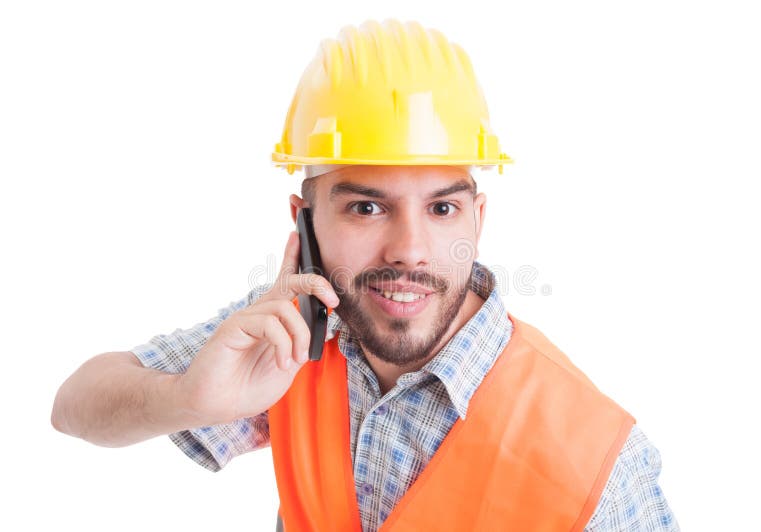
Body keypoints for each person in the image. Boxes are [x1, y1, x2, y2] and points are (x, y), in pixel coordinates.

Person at [51, 19, 679, 531]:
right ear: (305, 224)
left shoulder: (598, 466)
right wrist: (187, 399)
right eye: (366, 208)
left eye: (441, 208)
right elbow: (73, 405)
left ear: (477, 219)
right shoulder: (290, 334)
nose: (409, 250)